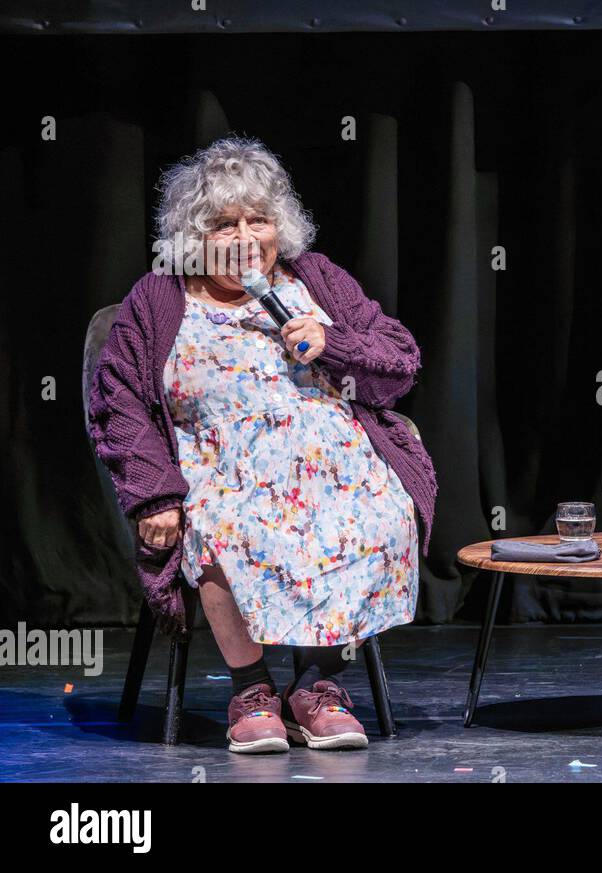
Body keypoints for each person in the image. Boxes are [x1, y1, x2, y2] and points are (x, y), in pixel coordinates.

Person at [88, 137, 438, 753]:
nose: (247, 235)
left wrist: (335, 343)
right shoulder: (159, 298)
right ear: (193, 237)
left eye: (259, 219)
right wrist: (153, 496)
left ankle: (318, 686)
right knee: (224, 523)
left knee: (379, 512)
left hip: (339, 463)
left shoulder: (317, 280)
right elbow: (118, 401)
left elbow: (400, 361)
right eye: (225, 223)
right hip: (220, 467)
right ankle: (251, 688)